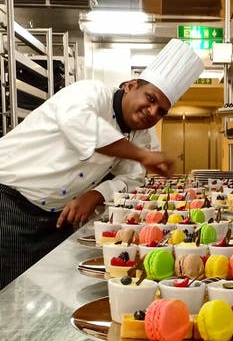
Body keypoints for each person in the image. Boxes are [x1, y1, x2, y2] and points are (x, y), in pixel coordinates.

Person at [0, 38, 203, 288]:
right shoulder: (90, 93)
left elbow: (134, 177)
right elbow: (82, 126)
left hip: (55, 219)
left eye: (161, 111)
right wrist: (143, 155)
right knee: (9, 294)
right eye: (150, 99)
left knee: (39, 292)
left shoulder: (140, 135)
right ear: (130, 86)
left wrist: (96, 194)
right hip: (8, 202)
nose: (152, 112)